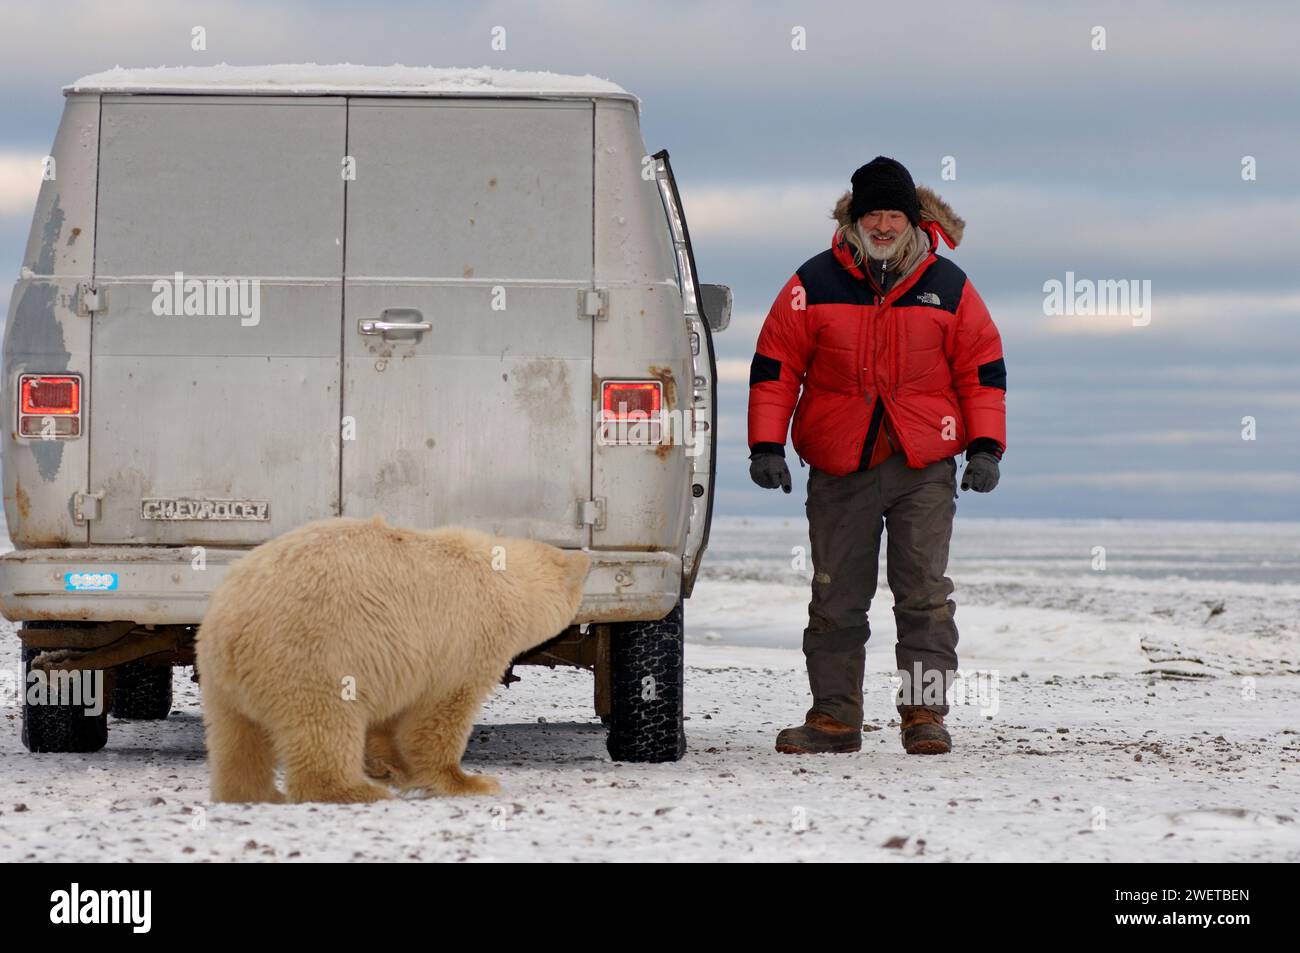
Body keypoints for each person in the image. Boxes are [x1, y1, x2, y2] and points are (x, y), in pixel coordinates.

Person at [747, 156, 1006, 755]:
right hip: (841, 464)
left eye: (893, 214)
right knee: (836, 595)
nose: (883, 225)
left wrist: (987, 447)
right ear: (855, 218)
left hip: (925, 465)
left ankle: (924, 717)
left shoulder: (950, 286)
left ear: (913, 220)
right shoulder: (813, 281)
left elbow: (982, 371)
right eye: (873, 214)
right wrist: (766, 444)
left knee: (923, 594)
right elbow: (775, 366)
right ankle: (834, 720)